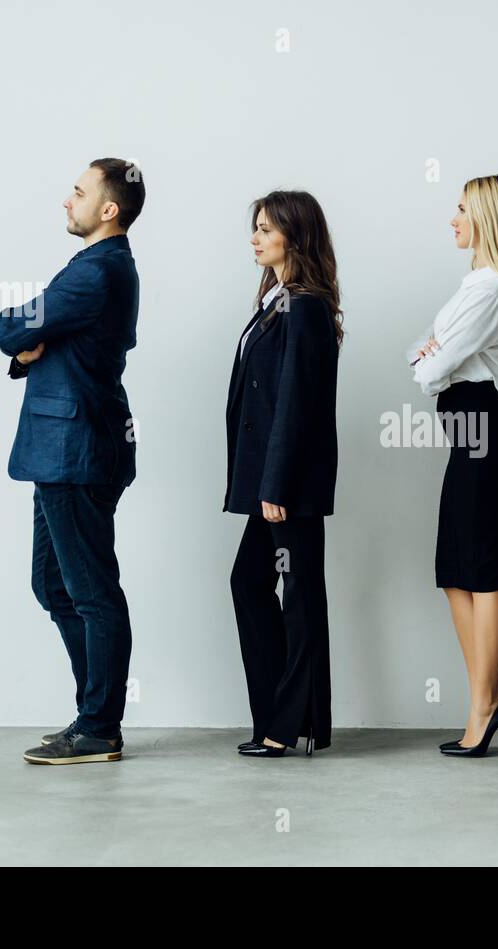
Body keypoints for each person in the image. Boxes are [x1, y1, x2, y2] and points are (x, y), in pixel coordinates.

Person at [0, 158, 145, 766]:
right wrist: (33, 345)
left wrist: (26, 339)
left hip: (76, 450)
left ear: (108, 209)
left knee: (91, 590)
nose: (67, 201)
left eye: (78, 193)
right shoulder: (97, 268)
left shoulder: (95, 273)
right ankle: (91, 717)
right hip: (65, 448)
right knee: (54, 584)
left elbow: (14, 325)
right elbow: (34, 336)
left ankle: (99, 728)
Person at [406, 174, 498, 758]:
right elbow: (419, 349)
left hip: (484, 429)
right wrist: (431, 351)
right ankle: (484, 700)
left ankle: (484, 707)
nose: (452, 219)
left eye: (462, 209)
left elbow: (429, 368)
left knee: (480, 566)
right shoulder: (475, 287)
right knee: (454, 569)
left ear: (487, 218)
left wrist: (434, 354)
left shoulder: (490, 292)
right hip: (469, 432)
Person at [226, 190, 342, 758]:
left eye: (266, 229)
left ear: (294, 238)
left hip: (287, 486)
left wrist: (275, 485)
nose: (255, 236)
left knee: (298, 596)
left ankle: (287, 724)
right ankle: (288, 717)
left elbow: (297, 405)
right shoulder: (277, 301)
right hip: (268, 483)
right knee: (251, 583)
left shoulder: (307, 306)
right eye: (256, 227)